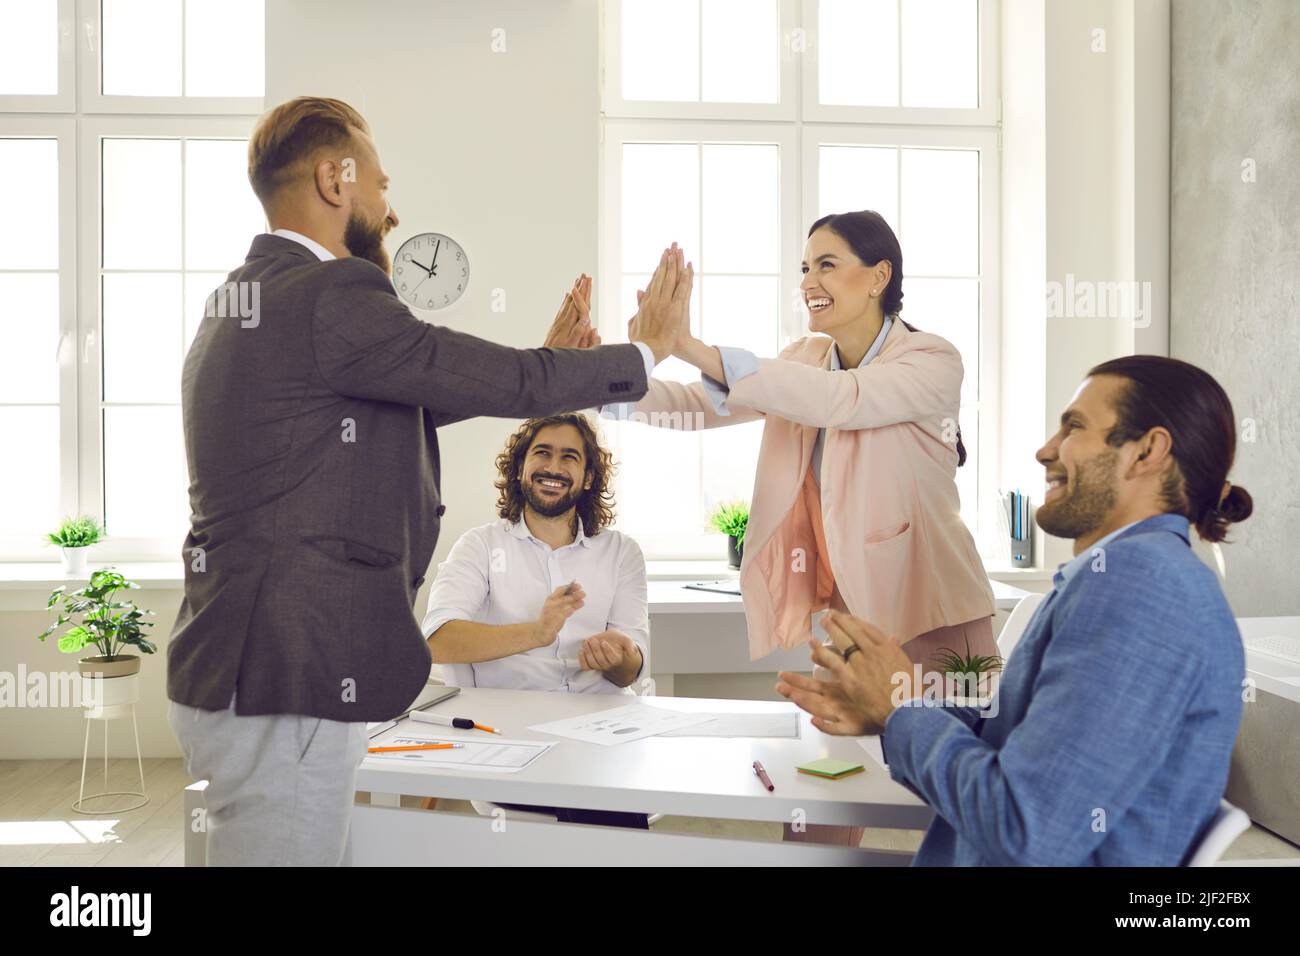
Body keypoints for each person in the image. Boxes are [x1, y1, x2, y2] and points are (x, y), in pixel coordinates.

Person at [165, 96, 688, 865]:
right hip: (291, 670)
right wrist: (641, 355)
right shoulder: (330, 291)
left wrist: (542, 373)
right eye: (379, 183)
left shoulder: (243, 300)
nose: (391, 205)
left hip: (251, 665)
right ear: (333, 180)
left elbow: (391, 404)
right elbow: (475, 371)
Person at [601, 214, 995, 845]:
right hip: (850, 618)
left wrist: (687, 343)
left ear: (880, 277)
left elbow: (842, 401)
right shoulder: (804, 358)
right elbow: (698, 406)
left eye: (828, 264)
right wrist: (591, 375)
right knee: (823, 795)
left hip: (933, 615)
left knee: (959, 801)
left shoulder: (931, 359)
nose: (809, 279)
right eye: (805, 267)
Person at [778, 356, 1251, 865]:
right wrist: (889, 706)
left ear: (1146, 453)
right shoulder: (1132, 574)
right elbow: (1019, 742)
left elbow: (1026, 828)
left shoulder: (1140, 588)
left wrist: (901, 711)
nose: (1045, 450)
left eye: (1073, 427)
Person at [421, 412, 651, 827]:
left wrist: (617, 658)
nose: (553, 467)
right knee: (578, 818)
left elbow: (630, 672)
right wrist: (536, 633)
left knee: (615, 806)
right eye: (542, 453)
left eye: (570, 457)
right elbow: (438, 639)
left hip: (601, 727)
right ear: (521, 469)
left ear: (587, 479)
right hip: (508, 731)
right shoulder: (479, 546)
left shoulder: (621, 553)